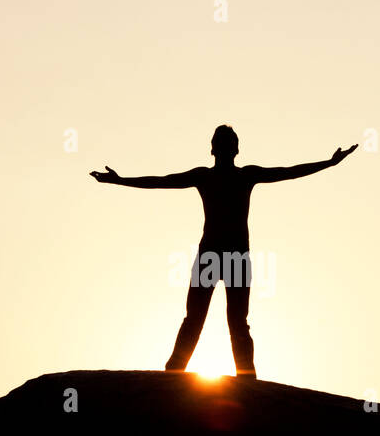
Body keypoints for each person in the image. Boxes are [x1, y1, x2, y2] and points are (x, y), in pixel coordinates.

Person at [91, 125, 357, 375]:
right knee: (206, 321)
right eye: (224, 144)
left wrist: (329, 163)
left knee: (230, 323)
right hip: (218, 256)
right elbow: (162, 181)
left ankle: (238, 381)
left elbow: (288, 171)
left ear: (224, 149)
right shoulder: (213, 176)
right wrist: (120, 180)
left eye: (227, 144)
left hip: (231, 257)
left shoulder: (240, 175)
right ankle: (176, 375)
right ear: (219, 150)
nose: (226, 148)